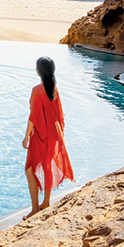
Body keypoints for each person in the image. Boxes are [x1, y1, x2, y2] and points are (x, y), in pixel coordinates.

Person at [22, 56, 74, 217]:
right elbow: (60, 114)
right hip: (53, 135)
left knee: (29, 170)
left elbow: (34, 116)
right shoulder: (54, 88)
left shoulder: (37, 90)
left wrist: (25, 137)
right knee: (47, 166)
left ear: (39, 71)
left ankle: (35, 208)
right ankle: (46, 202)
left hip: (40, 136)